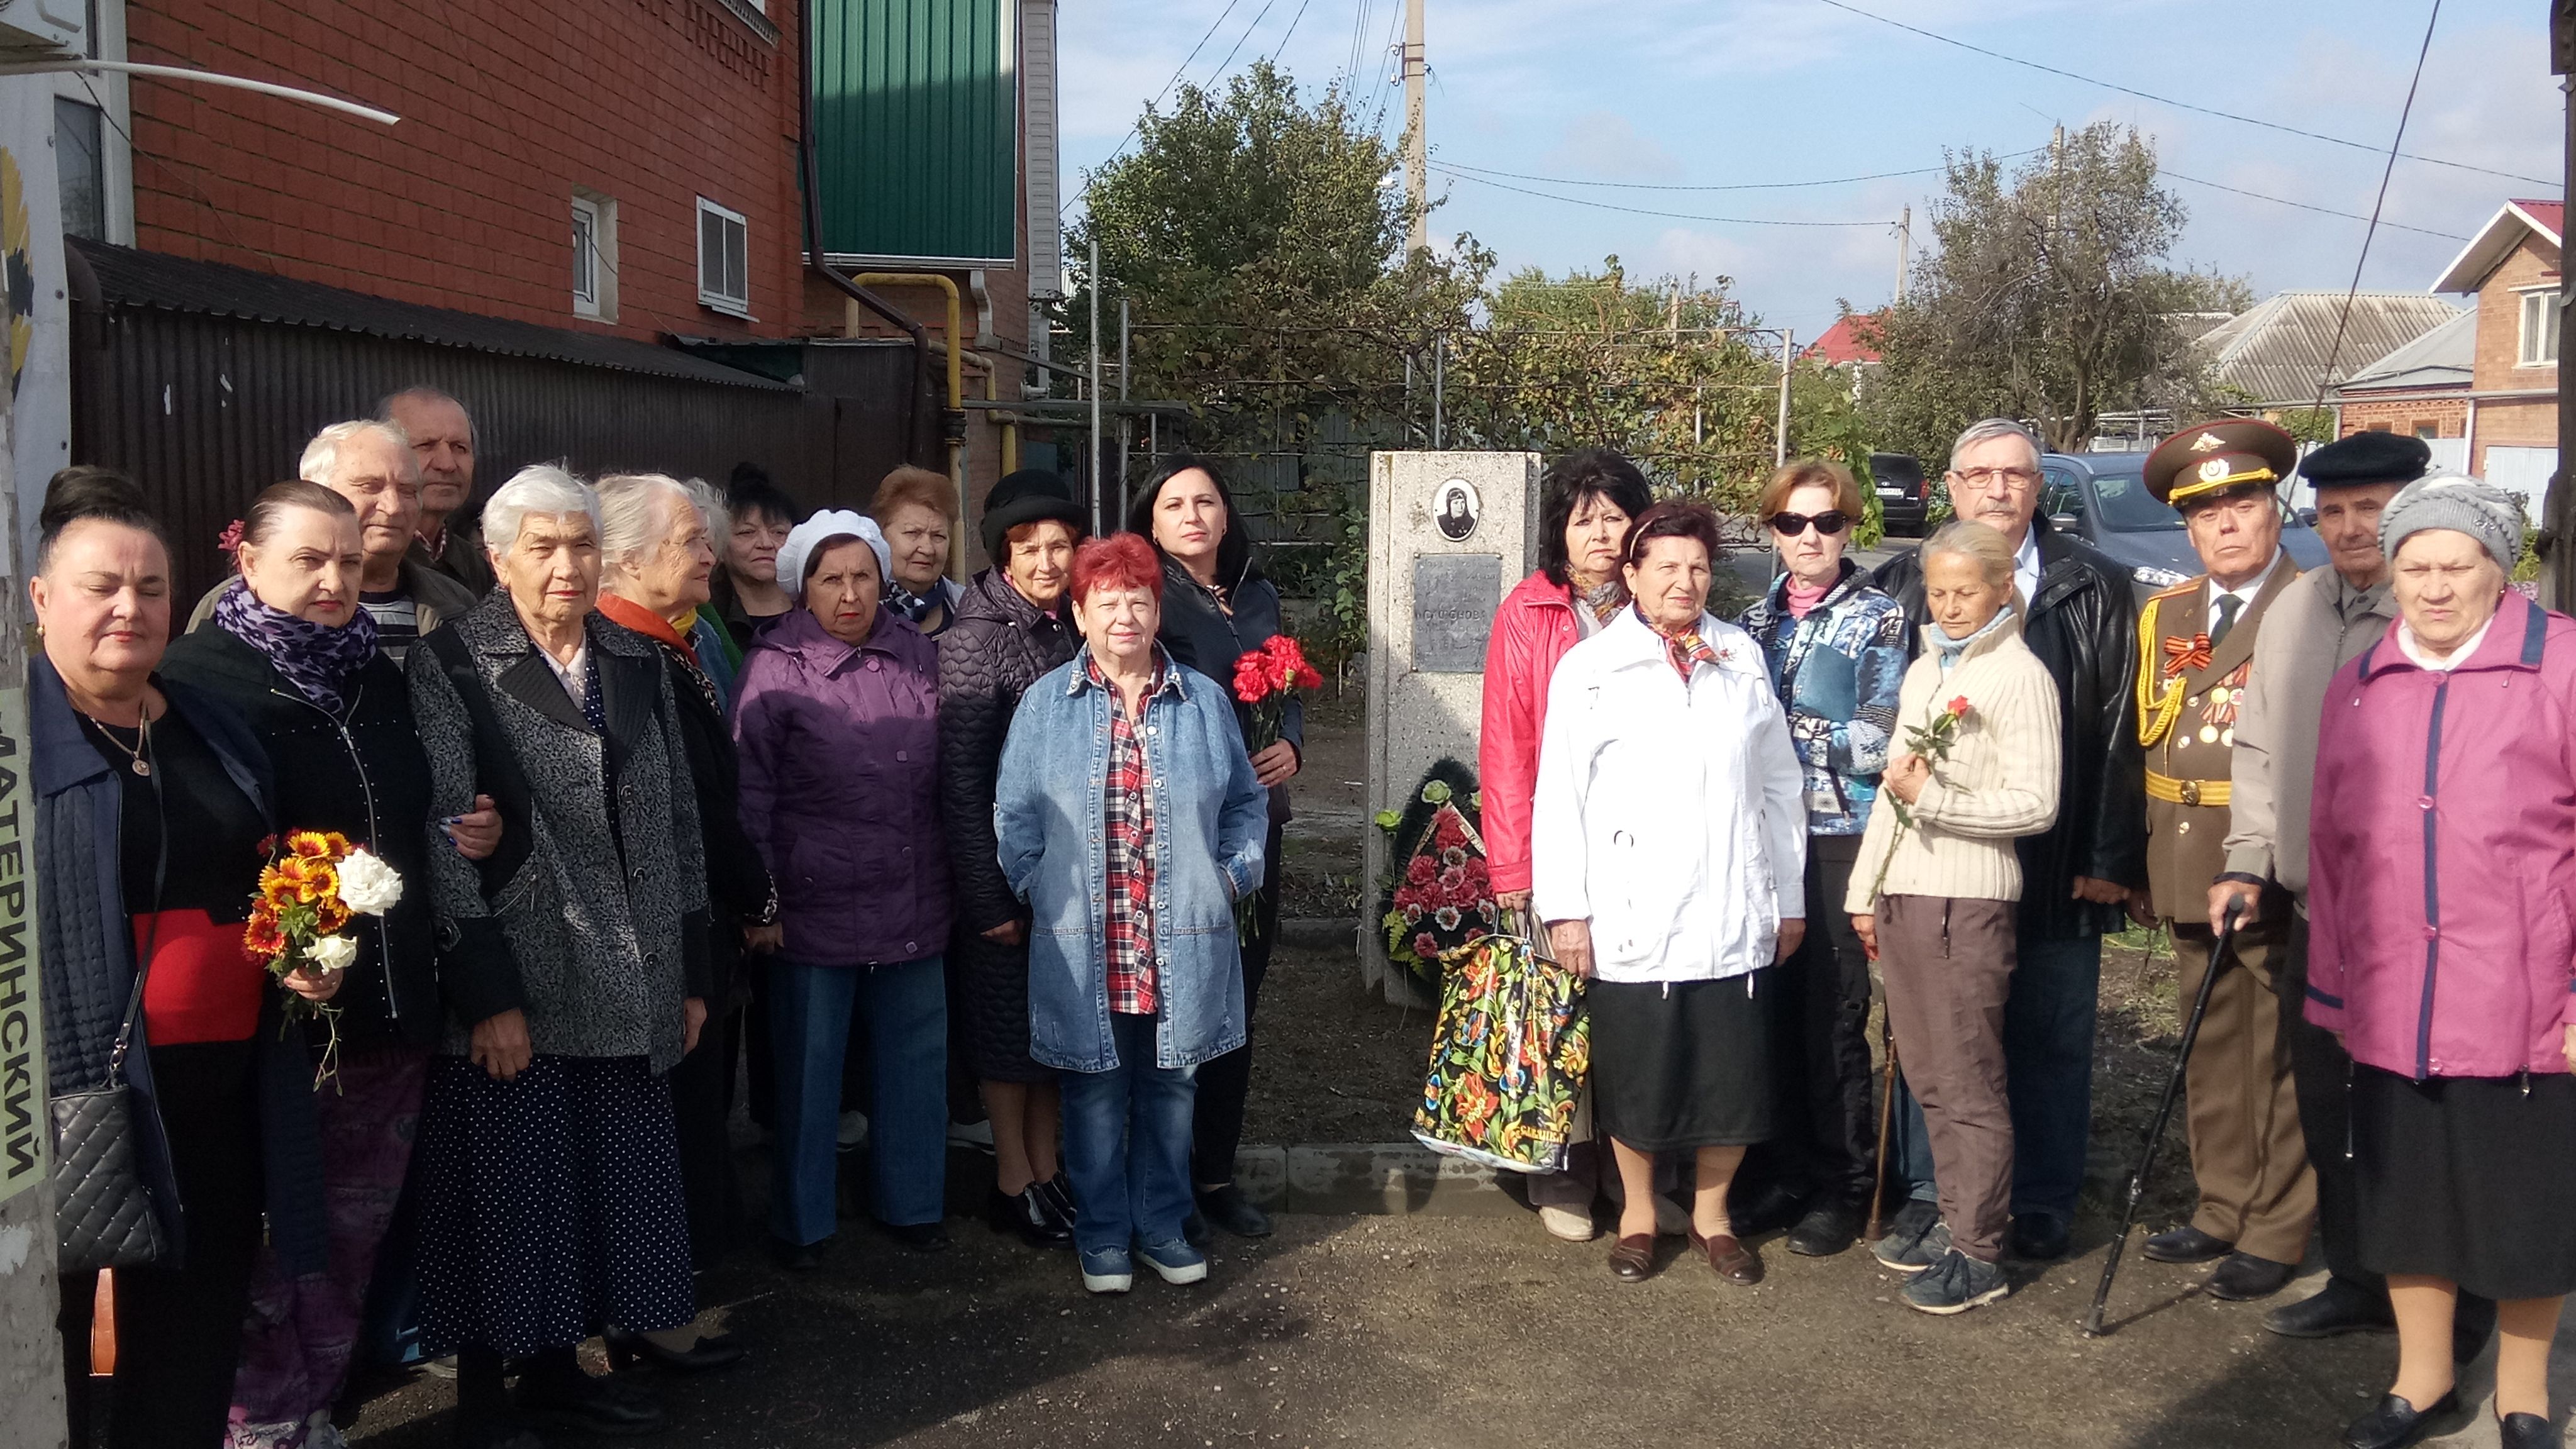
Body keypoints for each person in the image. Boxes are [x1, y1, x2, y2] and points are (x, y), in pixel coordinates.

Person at [160, 482, 502, 1448]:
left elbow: (417, 817)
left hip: (388, 1012)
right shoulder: (199, 680)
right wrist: (282, 951)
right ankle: (254, 1421)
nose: (331, 580)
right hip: (270, 1026)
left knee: (352, 1236)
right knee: (271, 1239)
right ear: (247, 560)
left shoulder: (381, 675)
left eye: (348, 562)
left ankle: (310, 1406)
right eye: (308, 559)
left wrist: (480, 825)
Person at [406, 465, 710, 1447]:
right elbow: (446, 839)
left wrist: (692, 969)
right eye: (541, 546)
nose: (565, 564)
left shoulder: (633, 656)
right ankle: (492, 1395)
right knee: (512, 1190)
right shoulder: (452, 663)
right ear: (497, 559)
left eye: (580, 543)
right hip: (530, 974)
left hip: (636, 972)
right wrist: (488, 995)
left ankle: (566, 1368)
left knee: (611, 1181)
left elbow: (677, 820)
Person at [35, 469, 332, 1448]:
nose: (130, 607)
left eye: (152, 587)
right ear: (42, 598)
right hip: (66, 1113)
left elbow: (261, 877)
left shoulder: (213, 724)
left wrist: (301, 951)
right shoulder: (15, 742)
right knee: (52, 1356)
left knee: (192, 1352)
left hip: (218, 1101)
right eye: (101, 586)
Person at [2303, 474, 2576, 1449]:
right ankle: (2421, 1380)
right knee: (2409, 1201)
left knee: (2524, 1207)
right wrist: (2333, 981)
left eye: (2456, 566)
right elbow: (2334, 843)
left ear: (2500, 572)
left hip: (2524, 1000)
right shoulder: (2362, 682)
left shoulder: (2562, 670)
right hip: (2392, 998)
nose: (2433, 586)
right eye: (2415, 566)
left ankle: (2525, 1392)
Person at [2216, 431, 2495, 1357]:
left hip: (2428, 924)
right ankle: (2357, 1276)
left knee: (2433, 1117)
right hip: (2313, 910)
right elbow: (2256, 752)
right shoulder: (2296, 616)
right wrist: (2247, 859)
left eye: (2369, 508)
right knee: (2331, 1104)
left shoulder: (2442, 618)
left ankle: (2466, 1300)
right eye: (2332, 511)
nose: (2349, 528)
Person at [1870, 418, 2148, 1265]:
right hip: (1942, 868)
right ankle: (1932, 1191)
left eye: (2016, 475)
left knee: (2049, 1036)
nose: (1998, 489)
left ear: (2040, 489)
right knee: (1938, 1038)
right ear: (1950, 487)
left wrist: (2107, 858)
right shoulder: (1911, 585)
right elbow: (1895, 742)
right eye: (1979, 474)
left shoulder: (2094, 584)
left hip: (2054, 855)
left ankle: (2037, 1200)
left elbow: (2116, 729)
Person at [1531, 501, 1807, 1287]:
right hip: (1631, 906)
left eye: (1696, 567)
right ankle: (1641, 1215)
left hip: (1730, 900)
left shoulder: (1740, 657)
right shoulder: (1591, 668)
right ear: (1631, 575)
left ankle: (1715, 1219)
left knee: (1729, 1073)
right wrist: (1567, 910)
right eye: (1665, 567)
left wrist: (1787, 898)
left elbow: (1780, 789)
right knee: (1640, 1073)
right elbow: (1561, 796)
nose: (1683, 583)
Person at [993, 533, 1269, 1294]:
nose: (1124, 615)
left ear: (1156, 610)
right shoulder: (1046, 705)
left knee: (1172, 1087)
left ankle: (1160, 1225)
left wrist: (1232, 875)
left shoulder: (1201, 701)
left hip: (1178, 935)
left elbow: (1245, 805)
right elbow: (1013, 814)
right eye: (1106, 601)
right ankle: (1103, 1233)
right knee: (1092, 1088)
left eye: (1138, 600)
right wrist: (1038, 884)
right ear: (1078, 613)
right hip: (1088, 941)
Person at [1846, 520, 2062, 1315]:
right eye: (1937, 591)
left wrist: (1932, 798)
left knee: (1968, 1078)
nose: (1949, 604)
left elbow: (2035, 805)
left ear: (2003, 587)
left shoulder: (2019, 677)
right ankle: (1952, 1216)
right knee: (1931, 1077)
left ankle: (1980, 1250)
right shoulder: (1926, 672)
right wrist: (1863, 891)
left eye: (1965, 590)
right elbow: (1890, 799)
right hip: (1907, 893)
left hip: (1966, 902)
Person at [2126, 421, 2316, 1304]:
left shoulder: (2311, 609)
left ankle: (2278, 1226)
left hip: (2270, 862)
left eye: (2242, 502)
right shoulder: (2169, 615)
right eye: (2206, 513)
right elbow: (2149, 745)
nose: (2226, 524)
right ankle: (2221, 1203)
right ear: (2187, 528)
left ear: (2274, 508)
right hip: (2184, 856)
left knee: (2275, 1051)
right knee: (2208, 1040)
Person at [735, 509, 952, 1267]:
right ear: (803, 590)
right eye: (831, 579)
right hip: (812, 899)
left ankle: (914, 1202)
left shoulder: (920, 655)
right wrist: (761, 902)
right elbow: (750, 794)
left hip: (912, 891)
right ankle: (803, 1218)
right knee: (809, 1071)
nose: (850, 593)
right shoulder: (774, 665)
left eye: (863, 576)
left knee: (915, 1063)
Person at [594, 472, 775, 1366]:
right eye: (689, 541)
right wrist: (758, 894)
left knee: (695, 1120)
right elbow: (689, 808)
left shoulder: (679, 642)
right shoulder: (626, 658)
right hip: (661, 940)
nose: (710, 553)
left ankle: (665, 1299)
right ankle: (653, 1315)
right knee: (664, 1129)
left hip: (699, 928)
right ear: (624, 558)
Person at [1478, 447, 1659, 1242]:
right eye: (1584, 519)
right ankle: (1562, 1169)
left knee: (1633, 1012)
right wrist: (1513, 864)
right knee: (1557, 1008)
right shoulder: (1530, 610)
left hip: (1647, 850)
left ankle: (1639, 1176)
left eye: (1614, 518)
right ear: (1559, 530)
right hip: (1558, 846)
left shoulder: (1663, 606)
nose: (1599, 535)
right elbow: (1507, 744)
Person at [1126, 455, 1301, 1242]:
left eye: (1206, 501)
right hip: (1182, 835)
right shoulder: (1146, 599)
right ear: (1151, 521)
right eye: (1174, 504)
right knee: (1177, 1006)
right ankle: (1160, 1181)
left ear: (1226, 515)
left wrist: (1290, 742)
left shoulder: (1257, 593)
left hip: (1259, 828)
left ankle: (1216, 1175)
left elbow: (1285, 684)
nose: (1192, 515)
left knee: (1238, 1007)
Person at [1736, 458, 1908, 1258]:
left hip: (1840, 836)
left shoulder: (1879, 618)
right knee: (1765, 1011)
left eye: (1827, 522)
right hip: (1761, 838)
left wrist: (1780, 732)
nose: (1810, 538)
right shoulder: (1747, 624)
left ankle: (1843, 1181)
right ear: (1771, 531)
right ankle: (1781, 1167)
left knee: (1834, 1015)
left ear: (1849, 528)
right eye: (1793, 523)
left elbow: (1876, 739)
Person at [940, 467, 1087, 1247]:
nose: (1044, 562)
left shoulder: (1068, 626)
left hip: (1061, 878)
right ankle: (1010, 1178)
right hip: (1003, 878)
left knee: (1049, 1033)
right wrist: (988, 897)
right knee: (1005, 1036)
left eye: (1058, 546)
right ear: (1002, 554)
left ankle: (1045, 1165)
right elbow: (961, 787)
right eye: (1026, 548)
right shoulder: (975, 642)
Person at [190, 419, 479, 665]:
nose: (393, 507)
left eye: (407, 491)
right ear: (315, 490)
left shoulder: (457, 603)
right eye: (370, 487)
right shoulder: (232, 607)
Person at [381, 386, 494, 597]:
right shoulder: (364, 555)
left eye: (459, 448)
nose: (447, 464)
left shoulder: (473, 563)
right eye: (426, 446)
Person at [712, 466, 801, 655]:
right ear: (719, 545)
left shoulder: (817, 609)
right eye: (747, 533)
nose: (766, 544)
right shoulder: (708, 619)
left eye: (779, 532)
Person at [872, 465, 965, 636]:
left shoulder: (970, 609)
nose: (928, 549)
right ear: (882, 535)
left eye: (938, 536)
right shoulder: (858, 610)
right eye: (913, 533)